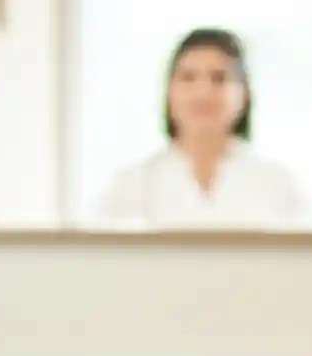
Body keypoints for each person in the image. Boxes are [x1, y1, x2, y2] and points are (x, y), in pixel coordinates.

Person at [99, 28, 301, 227]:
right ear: (169, 92)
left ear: (245, 94)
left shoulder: (277, 184)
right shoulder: (130, 185)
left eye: (219, 78)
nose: (203, 93)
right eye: (188, 78)